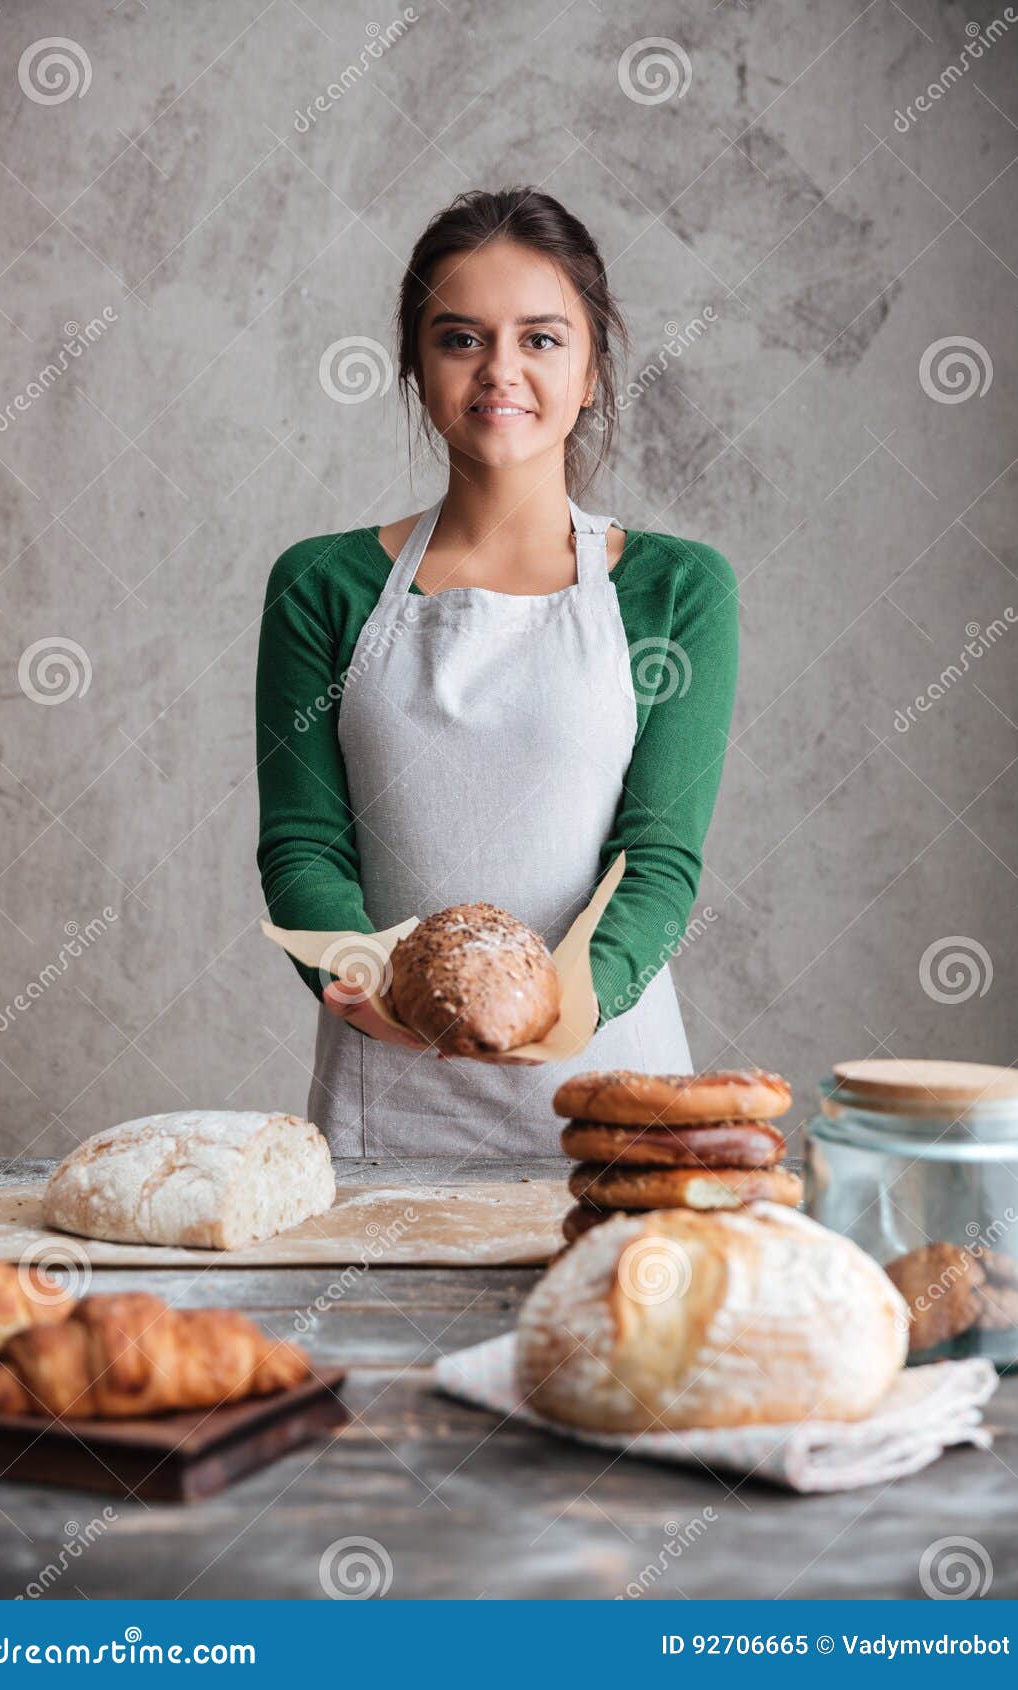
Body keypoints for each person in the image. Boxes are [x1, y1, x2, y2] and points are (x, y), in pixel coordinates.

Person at [255, 186, 738, 1159]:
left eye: (541, 339)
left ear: (592, 366)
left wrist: (559, 1009)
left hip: (611, 1095)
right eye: (460, 338)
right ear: (415, 365)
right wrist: (366, 981)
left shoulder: (676, 589)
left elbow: (658, 860)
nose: (499, 371)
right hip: (385, 1100)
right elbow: (303, 847)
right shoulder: (321, 584)